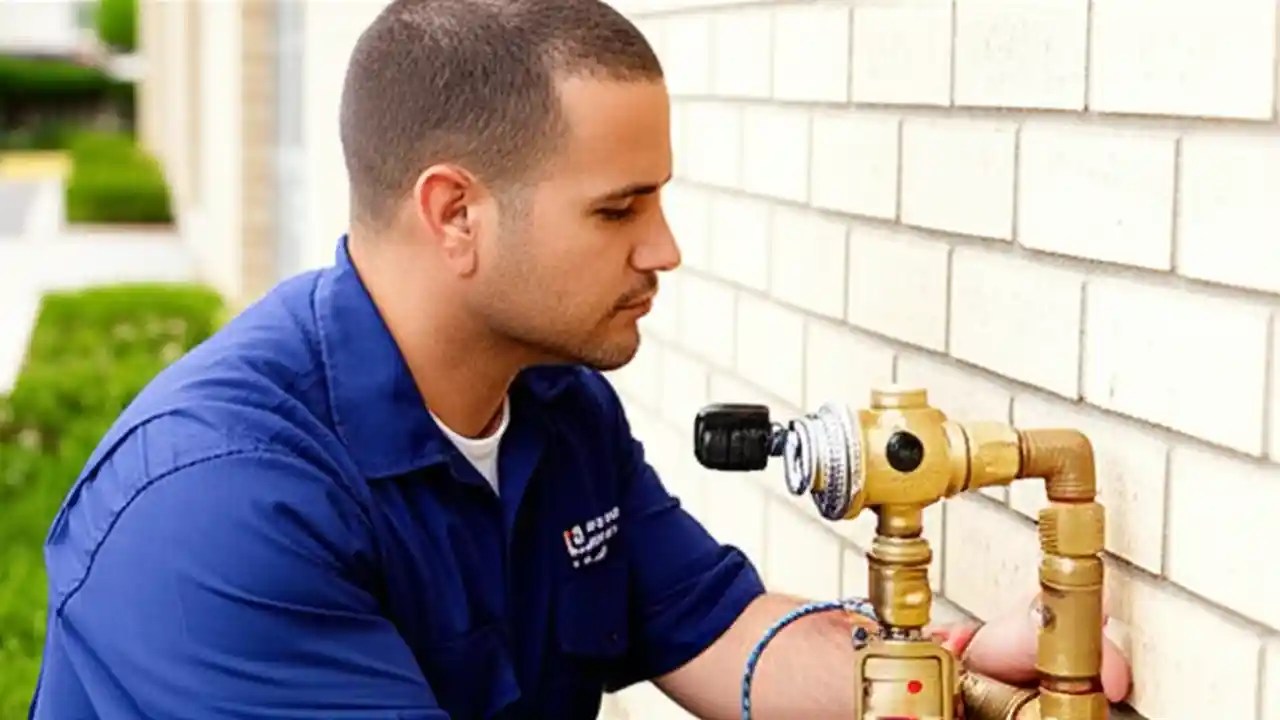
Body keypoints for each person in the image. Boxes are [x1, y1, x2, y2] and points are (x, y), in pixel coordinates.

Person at [28, 1, 1131, 718]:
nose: (663, 249)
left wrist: (944, 676)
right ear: (454, 212)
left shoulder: (551, 406)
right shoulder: (216, 508)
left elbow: (716, 626)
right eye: (617, 210)